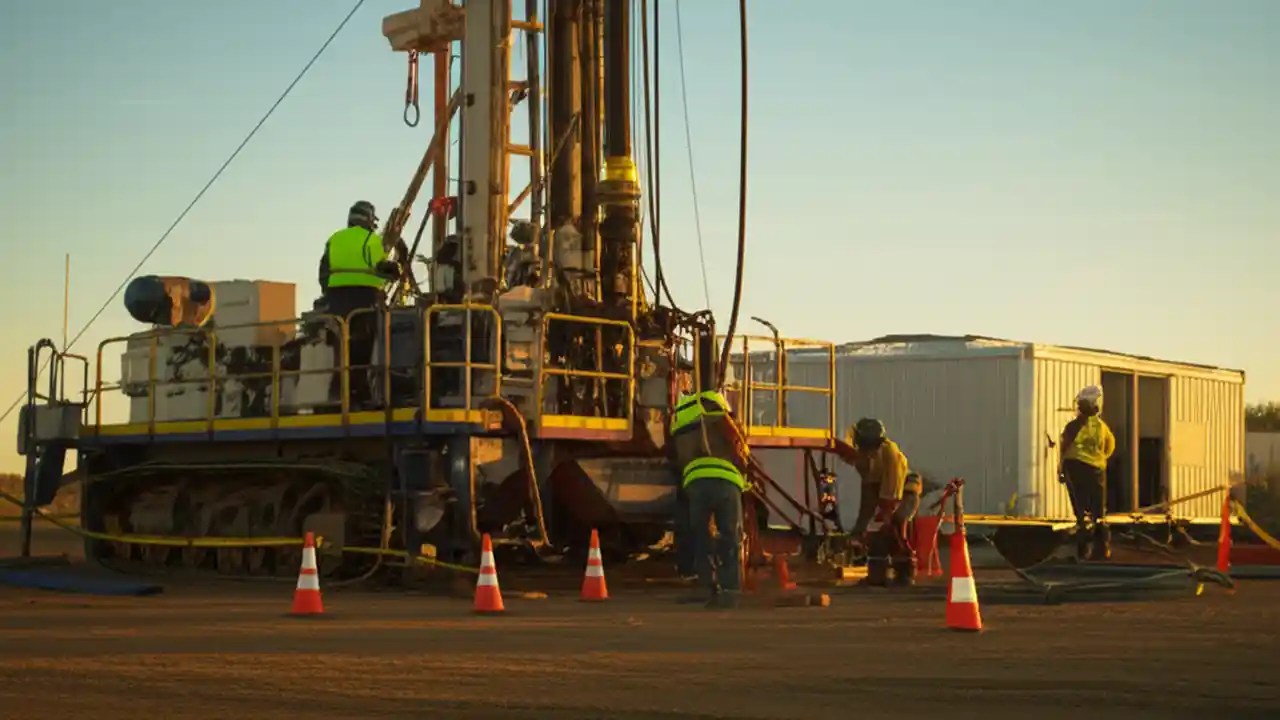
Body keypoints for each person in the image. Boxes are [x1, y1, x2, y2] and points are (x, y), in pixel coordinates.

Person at [668, 389, 752, 609]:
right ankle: (731, 591)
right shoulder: (720, 415)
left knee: (700, 536)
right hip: (726, 481)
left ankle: (706, 587)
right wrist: (746, 472)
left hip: (696, 482)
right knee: (730, 536)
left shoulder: (682, 416)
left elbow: (675, 457)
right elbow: (738, 446)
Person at [317, 201, 399, 405]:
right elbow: (380, 267)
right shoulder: (371, 240)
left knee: (340, 347)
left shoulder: (334, 239)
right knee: (363, 348)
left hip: (336, 301)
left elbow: (323, 272)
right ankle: (361, 392)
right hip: (365, 299)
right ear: (369, 220)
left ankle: (337, 390)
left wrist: (329, 295)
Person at [841, 418, 916, 586]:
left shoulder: (890, 453)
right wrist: (860, 528)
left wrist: (886, 513)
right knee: (877, 533)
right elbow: (868, 496)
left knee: (894, 530)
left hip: (905, 492)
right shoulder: (868, 456)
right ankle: (877, 576)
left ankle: (905, 574)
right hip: (887, 492)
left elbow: (892, 488)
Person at [1059, 384, 1116, 560]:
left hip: (1074, 467)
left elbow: (1064, 446)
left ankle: (1082, 549)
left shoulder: (1072, 427)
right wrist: (1100, 458)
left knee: (1080, 510)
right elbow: (1110, 446)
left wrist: (1060, 468)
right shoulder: (1102, 427)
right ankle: (1102, 548)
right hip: (1097, 469)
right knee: (1099, 510)